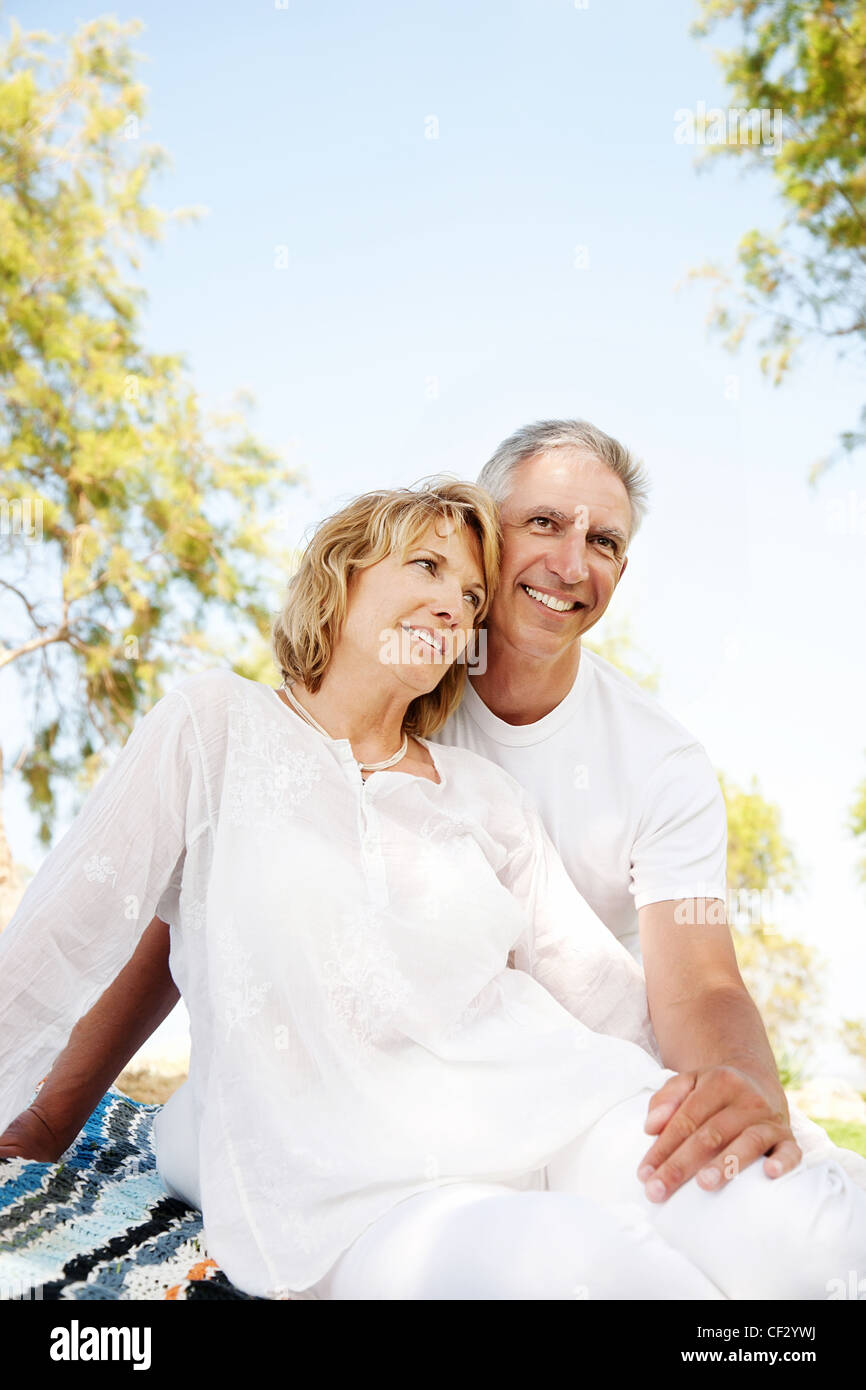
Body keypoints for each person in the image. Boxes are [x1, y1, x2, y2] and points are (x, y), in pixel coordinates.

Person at [0, 480, 864, 1301]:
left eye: (473, 598)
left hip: (559, 1106)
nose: (455, 605)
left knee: (800, 1225)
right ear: (341, 574)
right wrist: (39, 1121)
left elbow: (603, 997)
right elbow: (69, 934)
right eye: (425, 567)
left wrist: (734, 1094)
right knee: (584, 1273)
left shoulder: (486, 797)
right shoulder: (212, 728)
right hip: (372, 1194)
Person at [430, 418, 866, 1199]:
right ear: (482, 535)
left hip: (600, 1078)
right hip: (439, 1077)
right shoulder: (400, 694)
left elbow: (700, 984)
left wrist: (742, 1092)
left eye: (603, 543)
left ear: (620, 573)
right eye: (544, 523)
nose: (570, 565)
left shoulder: (664, 764)